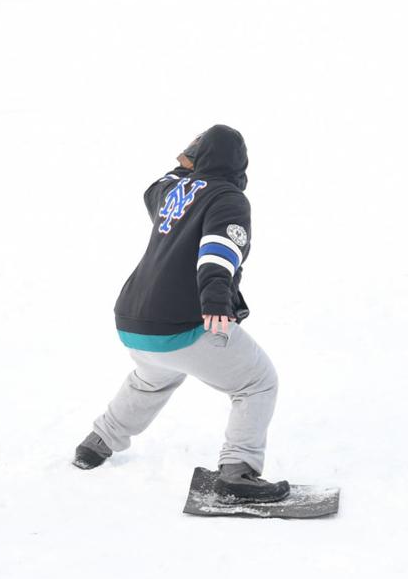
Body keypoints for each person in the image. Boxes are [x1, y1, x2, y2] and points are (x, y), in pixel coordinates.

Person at [74, 125, 290, 502]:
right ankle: (238, 472)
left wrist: (190, 156)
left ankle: (98, 442)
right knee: (257, 382)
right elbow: (218, 251)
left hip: (134, 321)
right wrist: (216, 302)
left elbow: (157, 185)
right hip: (180, 322)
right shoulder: (228, 198)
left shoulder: (172, 191)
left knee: (153, 378)